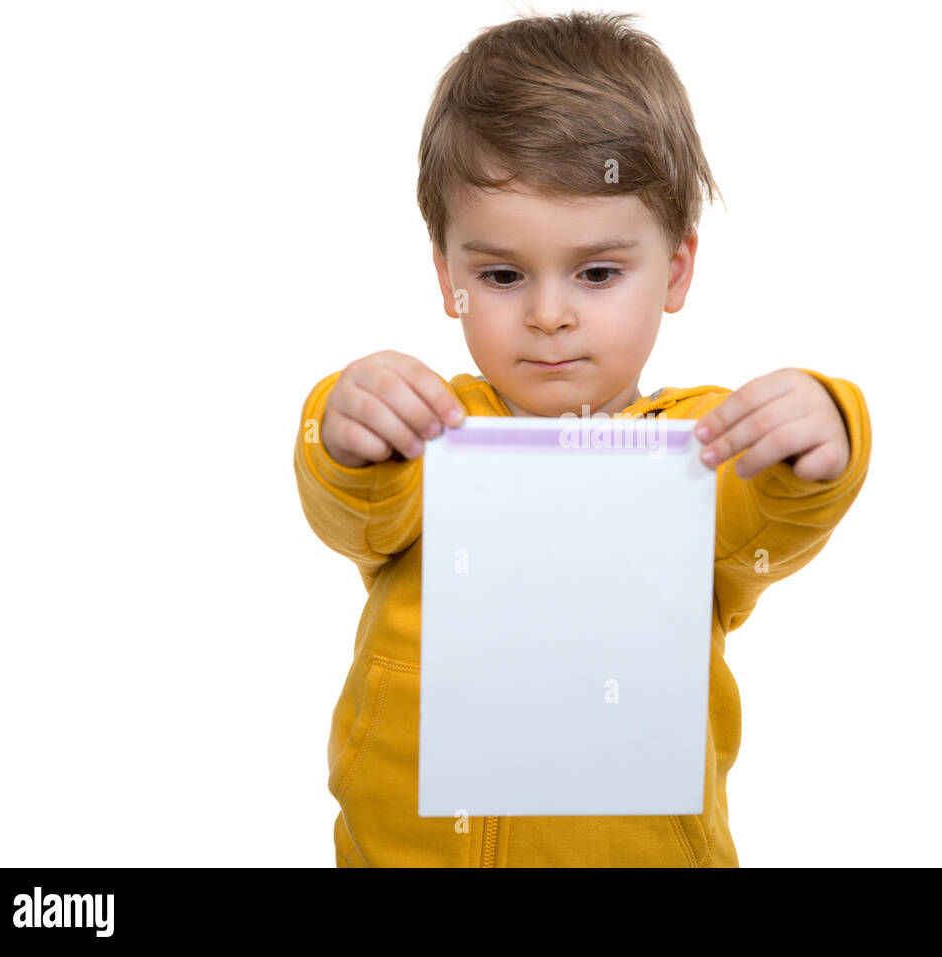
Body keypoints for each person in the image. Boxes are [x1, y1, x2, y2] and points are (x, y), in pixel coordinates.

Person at [293, 10, 872, 866]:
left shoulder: (702, 441)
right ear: (447, 277)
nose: (549, 313)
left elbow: (768, 523)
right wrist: (345, 430)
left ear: (675, 270)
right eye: (500, 275)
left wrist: (820, 436)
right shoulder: (429, 427)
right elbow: (357, 513)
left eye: (598, 272)